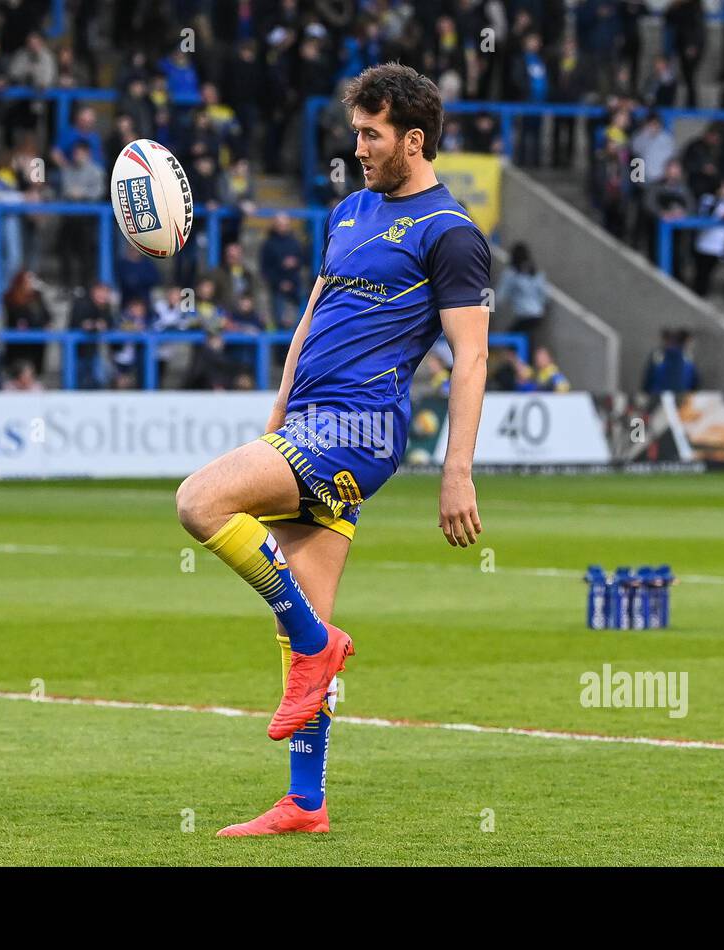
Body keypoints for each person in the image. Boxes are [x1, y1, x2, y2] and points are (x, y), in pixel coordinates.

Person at [175, 63, 490, 838]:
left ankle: (323, 649)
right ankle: (306, 801)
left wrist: (457, 471)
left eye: (373, 134)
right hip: (306, 424)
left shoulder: (450, 234)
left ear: (414, 140)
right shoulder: (349, 212)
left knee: (199, 502)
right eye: (357, 132)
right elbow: (309, 324)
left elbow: (471, 358)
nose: (358, 147)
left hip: (362, 429)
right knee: (298, 617)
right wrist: (275, 419)